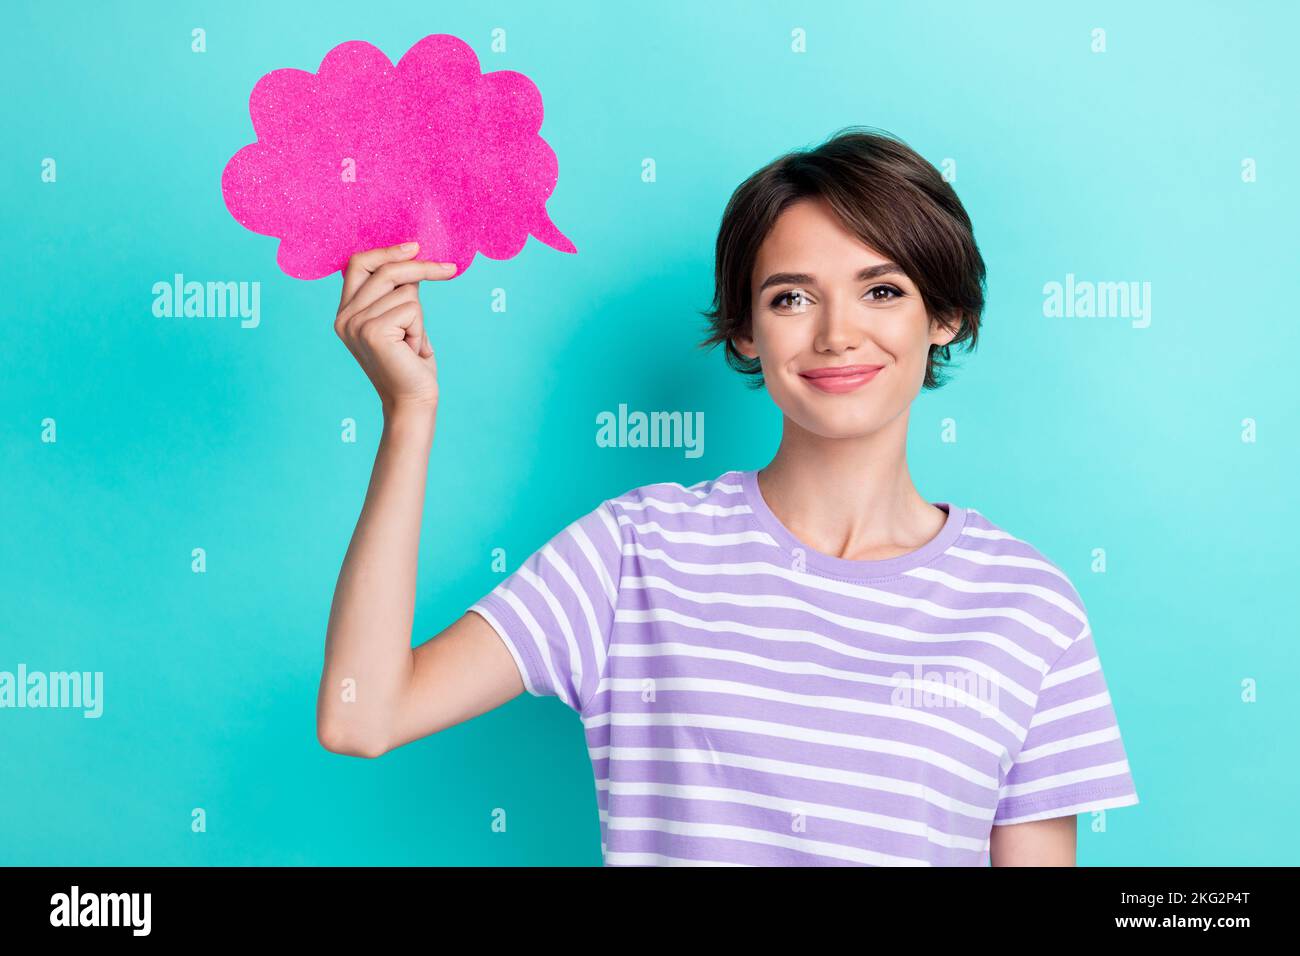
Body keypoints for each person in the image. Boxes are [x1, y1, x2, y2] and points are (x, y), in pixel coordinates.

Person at [316, 126, 1139, 867]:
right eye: (791, 296)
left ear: (945, 315)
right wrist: (408, 415)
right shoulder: (636, 550)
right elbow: (363, 717)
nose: (836, 334)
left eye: (881, 290)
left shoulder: (1029, 609)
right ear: (747, 330)